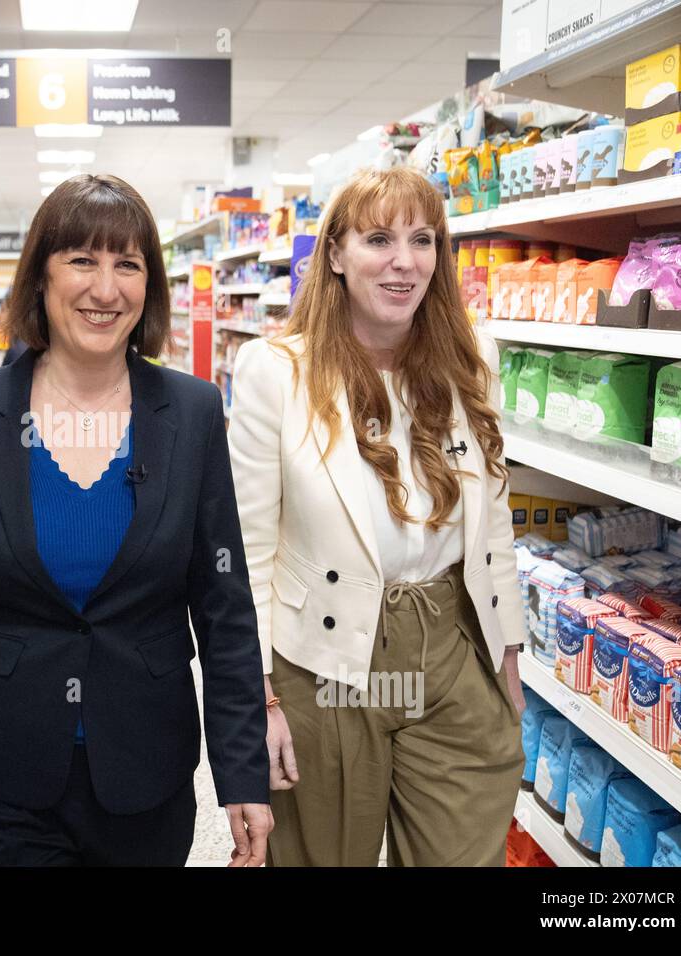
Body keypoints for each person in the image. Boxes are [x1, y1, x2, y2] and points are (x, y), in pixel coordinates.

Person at [0, 173, 272, 866]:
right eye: (82, 260)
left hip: (144, 773)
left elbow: (224, 608)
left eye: (128, 264)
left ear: (150, 285)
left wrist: (244, 775)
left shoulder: (193, 413)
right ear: (40, 276)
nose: (106, 288)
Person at [227, 166, 526, 867]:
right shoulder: (276, 371)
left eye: (423, 240)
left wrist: (507, 642)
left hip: (454, 645)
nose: (404, 261)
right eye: (379, 238)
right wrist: (255, 698)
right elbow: (245, 547)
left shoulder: (469, 362)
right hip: (322, 658)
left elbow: (496, 519)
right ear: (334, 253)